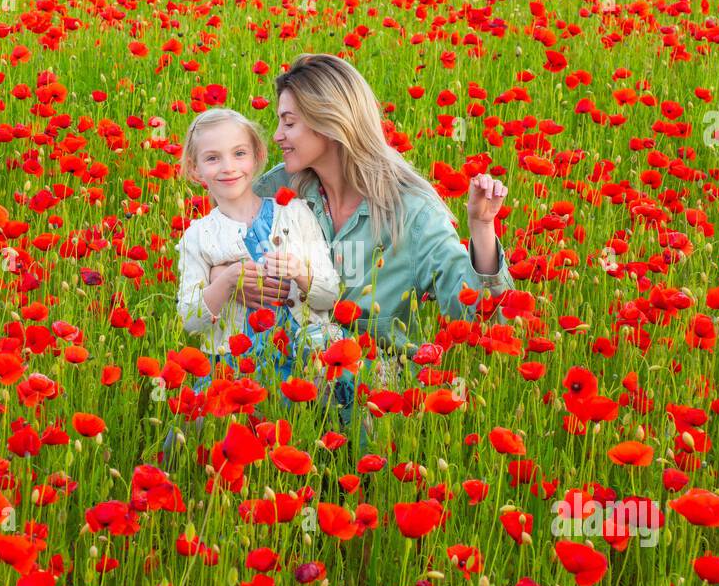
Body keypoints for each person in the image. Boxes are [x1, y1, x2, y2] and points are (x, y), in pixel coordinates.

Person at [208, 53, 516, 434]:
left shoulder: (412, 212)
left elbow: (481, 318)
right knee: (216, 384)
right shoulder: (276, 191)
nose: (277, 136)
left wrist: (482, 230)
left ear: (329, 121)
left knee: (334, 366)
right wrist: (229, 275)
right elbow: (215, 253)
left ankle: (356, 486)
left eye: (289, 122)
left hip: (375, 381)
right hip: (287, 362)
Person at [174, 107, 345, 397]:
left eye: (239, 153)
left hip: (305, 358)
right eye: (213, 158)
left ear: (257, 157)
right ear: (194, 168)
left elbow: (329, 295)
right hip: (235, 365)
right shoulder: (198, 237)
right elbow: (190, 321)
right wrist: (226, 282)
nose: (228, 167)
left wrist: (301, 274)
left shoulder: (295, 213)